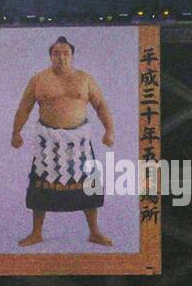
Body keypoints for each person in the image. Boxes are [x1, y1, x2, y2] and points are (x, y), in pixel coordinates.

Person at [11, 36, 114, 248]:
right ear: (50, 56)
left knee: (88, 187)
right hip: (47, 144)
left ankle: (94, 232)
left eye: (66, 53)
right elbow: (24, 107)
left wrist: (109, 130)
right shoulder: (38, 79)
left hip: (80, 143)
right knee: (40, 188)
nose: (61, 57)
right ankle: (36, 233)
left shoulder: (85, 79)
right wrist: (16, 133)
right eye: (56, 53)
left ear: (72, 56)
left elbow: (101, 105)